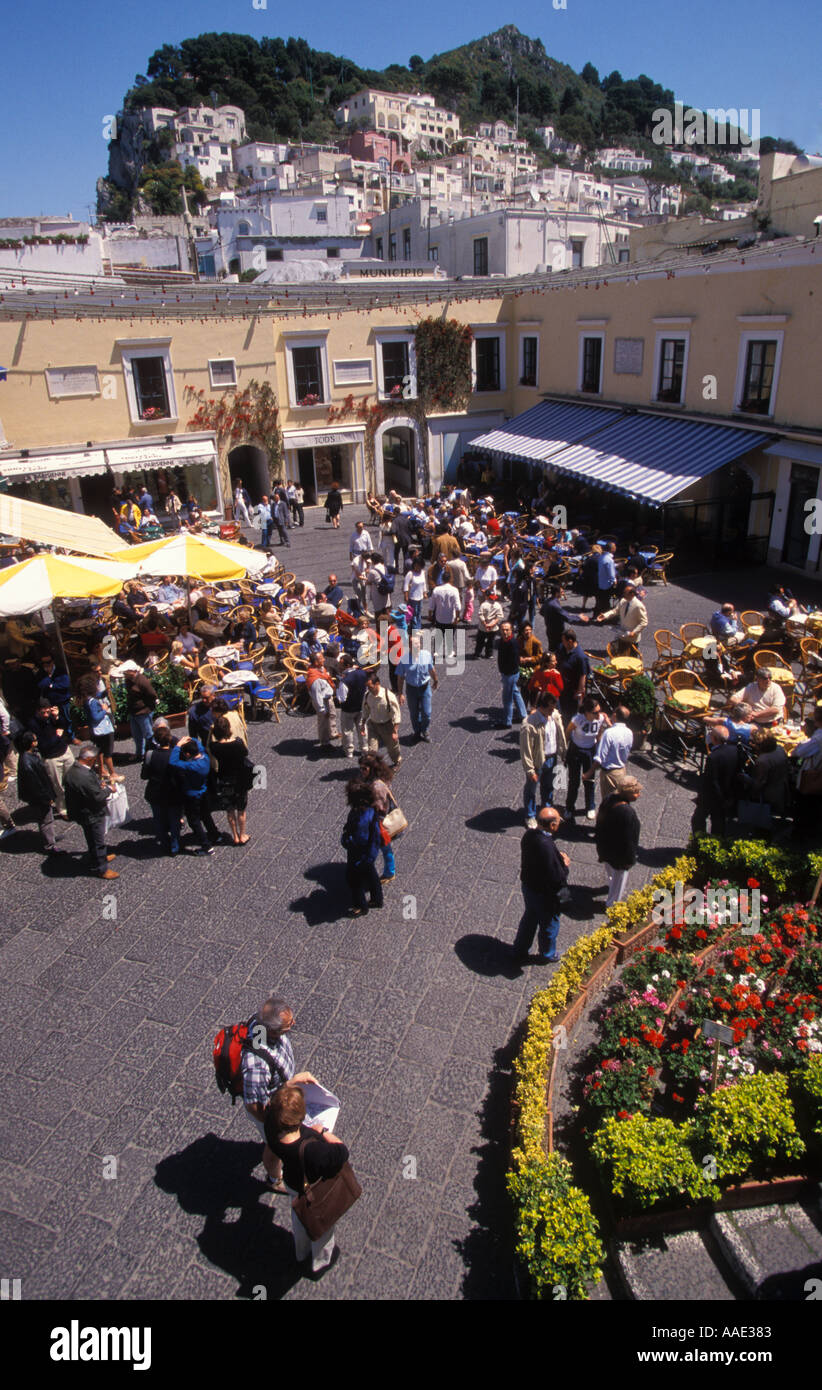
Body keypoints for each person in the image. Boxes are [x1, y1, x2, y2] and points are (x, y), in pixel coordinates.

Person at [264, 1083, 348, 1278]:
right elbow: (341, 1152)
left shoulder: (271, 1128)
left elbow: (269, 1157)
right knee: (321, 1229)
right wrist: (322, 1131)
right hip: (315, 1189)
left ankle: (300, 1253)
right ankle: (321, 1262)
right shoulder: (312, 1149)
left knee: (299, 1218)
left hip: (294, 1184)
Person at [241, 997, 317, 1191]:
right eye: (288, 1024)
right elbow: (256, 1106)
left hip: (281, 1091)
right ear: (272, 1030)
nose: (294, 1024)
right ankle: (274, 1179)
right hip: (271, 1109)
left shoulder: (260, 1025)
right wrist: (275, 1127)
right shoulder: (257, 1066)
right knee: (274, 1148)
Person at [512, 806, 569, 965]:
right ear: (552, 826)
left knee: (530, 918)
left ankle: (520, 949)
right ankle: (548, 954)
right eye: (558, 822)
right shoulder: (547, 845)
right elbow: (557, 876)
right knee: (550, 923)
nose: (559, 824)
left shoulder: (529, 834)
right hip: (544, 894)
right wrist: (565, 864)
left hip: (529, 886)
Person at [64, 742, 118, 879]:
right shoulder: (84, 776)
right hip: (91, 814)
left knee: (92, 838)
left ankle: (98, 857)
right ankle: (101, 868)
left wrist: (98, 784)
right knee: (97, 840)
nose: (96, 763)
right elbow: (97, 796)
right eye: (94, 760)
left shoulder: (73, 770)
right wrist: (108, 789)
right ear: (88, 759)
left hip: (80, 811)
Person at [520, 692, 567, 828]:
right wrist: (530, 770)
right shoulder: (529, 724)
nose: (553, 711)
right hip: (538, 762)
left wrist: (563, 753)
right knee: (531, 789)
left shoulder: (555, 716)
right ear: (542, 707)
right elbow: (526, 749)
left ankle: (547, 812)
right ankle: (530, 815)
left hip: (552, 758)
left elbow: (561, 735)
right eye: (551, 708)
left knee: (549, 787)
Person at [169, 736, 222, 855]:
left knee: (194, 821)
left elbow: (173, 762)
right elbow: (199, 745)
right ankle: (215, 834)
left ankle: (206, 846)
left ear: (188, 754)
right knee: (205, 815)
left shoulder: (192, 766)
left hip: (192, 796)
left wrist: (178, 745)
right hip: (203, 793)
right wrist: (191, 739)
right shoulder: (205, 758)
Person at [595, 777, 643, 906]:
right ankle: (613, 904)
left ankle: (611, 889)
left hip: (605, 846)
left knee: (611, 872)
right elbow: (629, 839)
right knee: (620, 878)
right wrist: (630, 859)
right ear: (628, 794)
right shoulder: (627, 812)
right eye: (636, 792)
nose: (639, 794)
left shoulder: (609, 799)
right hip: (620, 854)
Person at [341, 777, 383, 916]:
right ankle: (377, 899)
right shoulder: (370, 810)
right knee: (371, 874)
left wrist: (346, 840)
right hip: (370, 851)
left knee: (355, 879)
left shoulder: (360, 817)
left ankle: (360, 906)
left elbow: (359, 839)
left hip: (359, 854)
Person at [691, 724, 742, 837]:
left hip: (711, 797)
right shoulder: (734, 750)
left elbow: (712, 780)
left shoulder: (713, 757)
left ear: (714, 739)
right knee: (718, 822)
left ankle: (699, 843)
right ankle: (716, 844)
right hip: (727, 793)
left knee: (698, 820)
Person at [141, 719, 183, 856]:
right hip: (173, 793)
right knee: (175, 820)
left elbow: (144, 776)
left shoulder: (149, 755)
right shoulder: (175, 755)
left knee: (159, 820)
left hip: (155, 793)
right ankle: (175, 846)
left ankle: (164, 844)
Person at [566, 696, 610, 822]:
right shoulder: (577, 719)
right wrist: (565, 750)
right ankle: (569, 807)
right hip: (576, 750)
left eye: (599, 711)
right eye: (595, 712)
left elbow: (599, 733)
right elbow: (568, 732)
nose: (598, 714)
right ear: (587, 712)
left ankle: (590, 806)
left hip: (590, 750)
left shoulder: (600, 718)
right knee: (573, 781)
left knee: (589, 780)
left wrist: (599, 748)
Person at [16, 730, 59, 854]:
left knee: (46, 819)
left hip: (40, 794)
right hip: (39, 797)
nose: (37, 741)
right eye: (34, 740)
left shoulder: (29, 756)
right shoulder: (27, 761)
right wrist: (47, 798)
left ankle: (50, 840)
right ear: (30, 743)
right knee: (46, 820)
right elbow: (36, 785)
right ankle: (50, 846)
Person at [210, 715, 251, 845]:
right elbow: (245, 753)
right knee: (241, 809)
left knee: (229, 810)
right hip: (239, 779)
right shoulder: (238, 743)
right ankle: (242, 834)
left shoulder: (214, 746)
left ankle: (234, 835)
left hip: (224, 779)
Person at [77, 671, 120, 789]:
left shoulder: (88, 699)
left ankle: (101, 772)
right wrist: (104, 709)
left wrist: (106, 692)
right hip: (103, 730)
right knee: (108, 753)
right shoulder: (93, 702)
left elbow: (99, 695)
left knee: (99, 751)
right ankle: (112, 773)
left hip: (95, 731)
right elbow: (96, 717)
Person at [360, 752, 397, 883]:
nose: (361, 771)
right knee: (383, 847)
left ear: (372, 769)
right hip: (377, 820)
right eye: (361, 768)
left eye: (364, 768)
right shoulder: (380, 778)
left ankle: (389, 872)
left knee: (384, 847)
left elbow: (380, 807)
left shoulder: (377, 786)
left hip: (379, 822)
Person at [395, 629, 439, 743]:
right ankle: (417, 731)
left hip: (425, 687)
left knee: (427, 713)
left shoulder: (427, 655)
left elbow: (431, 669)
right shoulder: (404, 659)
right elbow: (400, 677)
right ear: (409, 646)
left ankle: (425, 730)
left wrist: (436, 680)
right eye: (413, 644)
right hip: (411, 689)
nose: (416, 646)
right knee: (414, 713)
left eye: (417, 643)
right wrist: (400, 693)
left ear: (420, 643)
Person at [589, 704, 634, 800]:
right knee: (619, 799)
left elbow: (600, 757)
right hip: (622, 771)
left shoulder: (609, 733)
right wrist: (610, 724)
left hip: (609, 774)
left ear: (614, 715)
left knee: (608, 802)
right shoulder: (629, 732)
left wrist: (589, 773)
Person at [362, 674, 402, 766]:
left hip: (387, 725)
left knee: (392, 747)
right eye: (367, 687)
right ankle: (373, 768)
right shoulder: (367, 695)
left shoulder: (388, 696)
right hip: (373, 725)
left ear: (377, 684)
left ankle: (397, 761)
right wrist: (362, 725)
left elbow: (396, 714)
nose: (369, 689)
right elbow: (365, 710)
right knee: (372, 749)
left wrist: (395, 731)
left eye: (370, 687)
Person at [495, 621, 528, 729]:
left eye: (507, 630)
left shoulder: (512, 643)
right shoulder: (502, 641)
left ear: (511, 631)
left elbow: (514, 662)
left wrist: (505, 672)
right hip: (509, 673)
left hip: (509, 674)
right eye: (503, 629)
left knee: (507, 699)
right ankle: (523, 715)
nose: (505, 632)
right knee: (515, 693)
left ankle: (507, 722)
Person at [334, 654, 368, 759]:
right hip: (361, 707)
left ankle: (349, 751)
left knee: (347, 731)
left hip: (348, 709)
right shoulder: (363, 673)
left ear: (346, 665)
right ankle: (365, 749)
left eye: (340, 664)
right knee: (362, 729)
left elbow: (341, 698)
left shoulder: (344, 681)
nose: (338, 666)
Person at [541, 583, 590, 653]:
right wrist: (579, 617)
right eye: (561, 592)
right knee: (559, 650)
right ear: (556, 593)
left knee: (552, 648)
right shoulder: (555, 605)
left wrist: (551, 617)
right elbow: (567, 617)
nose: (563, 593)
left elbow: (541, 612)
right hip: (557, 631)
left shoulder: (548, 601)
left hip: (549, 629)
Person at [306, 653, 339, 754]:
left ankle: (332, 733)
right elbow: (317, 696)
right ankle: (325, 743)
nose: (324, 660)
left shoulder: (320, 669)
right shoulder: (315, 679)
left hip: (328, 698)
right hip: (323, 702)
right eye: (321, 659)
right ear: (316, 662)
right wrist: (323, 710)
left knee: (333, 715)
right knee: (323, 722)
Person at [123, 669, 158, 761]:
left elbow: (152, 695)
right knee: (136, 735)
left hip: (143, 712)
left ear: (132, 671)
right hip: (134, 712)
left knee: (148, 734)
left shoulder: (142, 680)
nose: (124, 674)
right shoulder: (129, 680)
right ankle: (140, 754)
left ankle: (154, 754)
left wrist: (147, 707)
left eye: (125, 672)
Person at [557, 629, 590, 723]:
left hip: (572, 692)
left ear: (570, 641)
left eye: (563, 641)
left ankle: (569, 734)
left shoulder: (580, 657)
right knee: (562, 711)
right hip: (562, 688)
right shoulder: (562, 648)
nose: (562, 643)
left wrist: (579, 692)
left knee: (570, 715)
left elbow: (583, 675)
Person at [403, 557, 427, 631]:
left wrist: (425, 592)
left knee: (419, 613)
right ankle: (415, 628)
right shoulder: (410, 574)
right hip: (413, 597)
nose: (418, 567)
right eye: (416, 565)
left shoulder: (422, 572)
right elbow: (406, 585)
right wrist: (406, 596)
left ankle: (418, 627)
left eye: (419, 565)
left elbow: (424, 583)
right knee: (414, 614)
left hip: (420, 597)